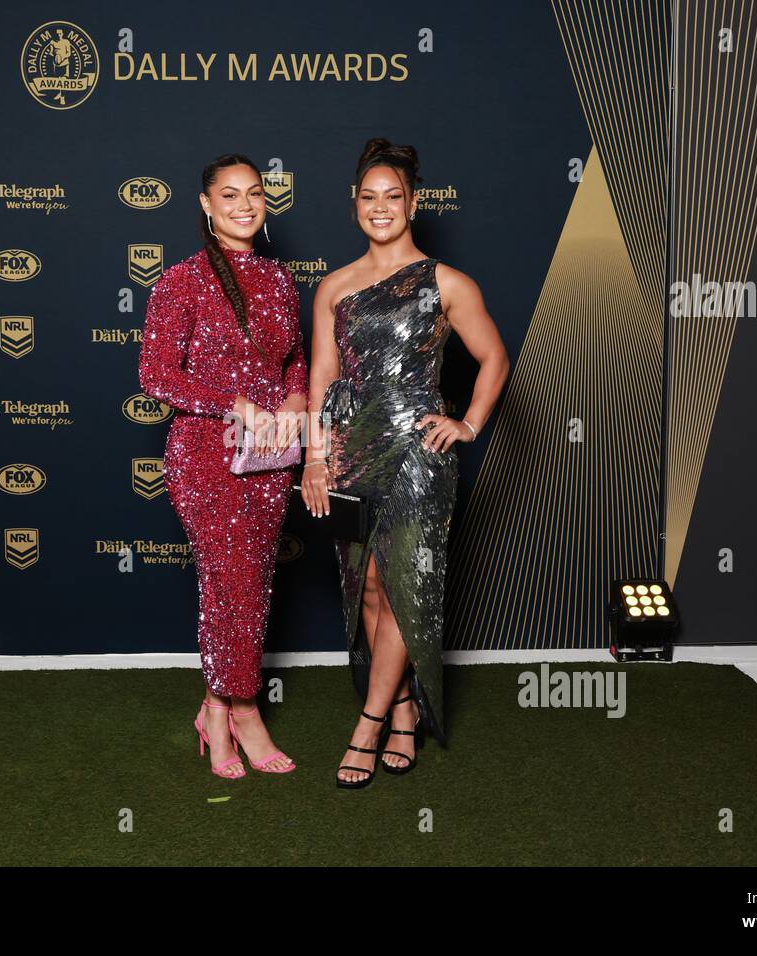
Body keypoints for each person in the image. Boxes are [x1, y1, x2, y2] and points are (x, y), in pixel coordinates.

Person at [301, 138, 510, 788]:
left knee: (399, 586)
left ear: (414, 202)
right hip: (352, 450)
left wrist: (468, 423)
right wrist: (314, 454)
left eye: (394, 197)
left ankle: (367, 724)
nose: (381, 208)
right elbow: (323, 374)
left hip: (420, 456)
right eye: (370, 197)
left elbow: (495, 360)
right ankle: (400, 713)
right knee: (364, 584)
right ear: (355, 204)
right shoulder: (334, 287)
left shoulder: (447, 283)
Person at [138, 153, 308, 779]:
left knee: (253, 581)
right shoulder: (180, 281)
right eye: (229, 194)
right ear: (206, 205)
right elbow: (155, 376)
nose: (244, 204)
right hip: (206, 455)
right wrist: (232, 402)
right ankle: (242, 709)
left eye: (255, 193)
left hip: (268, 456)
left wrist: (294, 397)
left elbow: (294, 362)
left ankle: (216, 707)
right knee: (227, 578)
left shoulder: (280, 280)